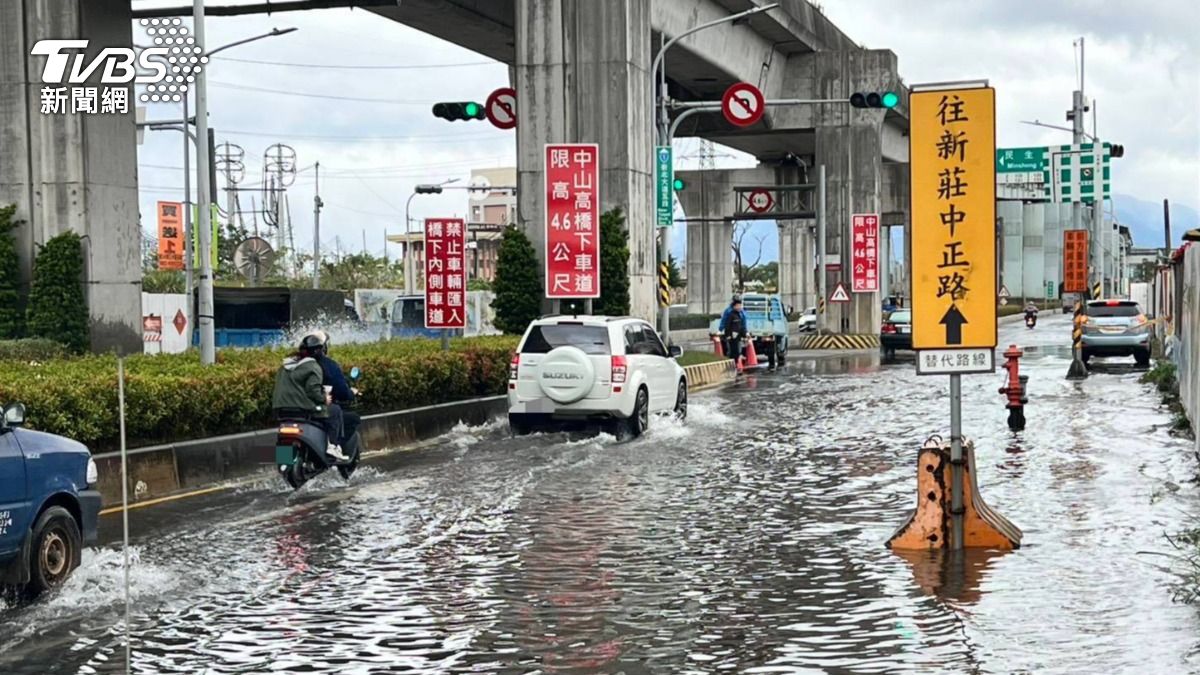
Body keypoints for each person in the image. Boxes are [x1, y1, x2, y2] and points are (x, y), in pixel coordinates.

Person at [272, 333, 347, 461]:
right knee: (335, 411)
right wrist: (324, 398)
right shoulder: (313, 366)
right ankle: (332, 446)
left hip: (280, 411)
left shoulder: (284, 366)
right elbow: (313, 391)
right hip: (302, 410)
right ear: (320, 351)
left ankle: (284, 459)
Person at [305, 330, 361, 447]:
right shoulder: (327, 365)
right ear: (323, 348)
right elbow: (340, 391)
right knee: (342, 414)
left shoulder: (289, 366)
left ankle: (283, 460)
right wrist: (350, 393)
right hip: (312, 409)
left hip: (286, 411)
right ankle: (334, 448)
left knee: (283, 441)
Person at [719, 295, 749, 365]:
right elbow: (726, 324)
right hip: (732, 335)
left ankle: (736, 363)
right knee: (732, 351)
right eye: (737, 305)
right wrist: (724, 332)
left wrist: (746, 333)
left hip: (738, 335)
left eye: (740, 305)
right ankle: (732, 364)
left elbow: (742, 325)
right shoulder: (729, 312)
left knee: (737, 350)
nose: (739, 307)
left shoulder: (741, 313)